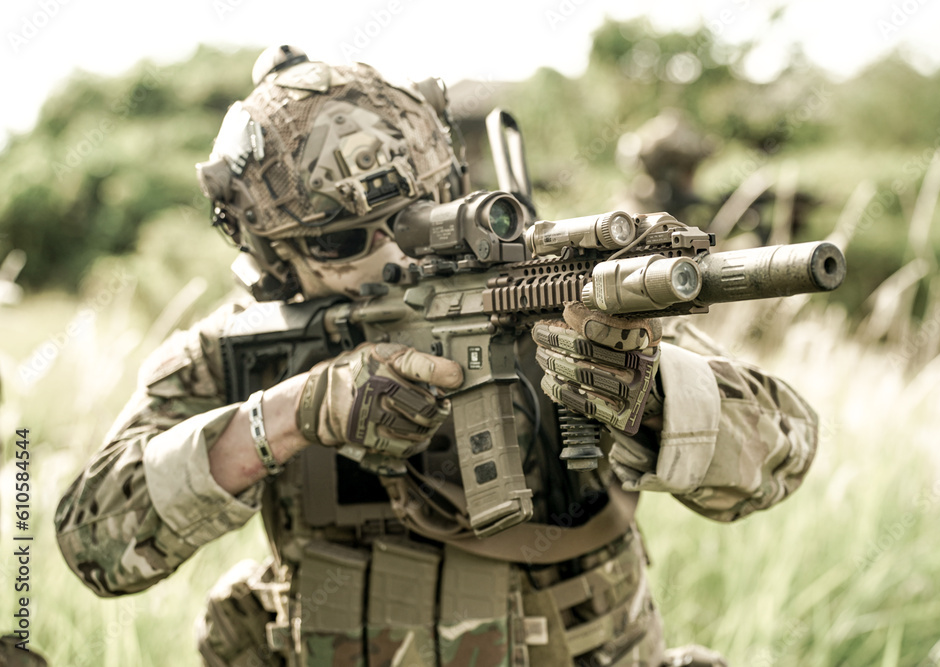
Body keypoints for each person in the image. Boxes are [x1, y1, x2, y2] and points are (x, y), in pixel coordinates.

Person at [54, 46, 820, 667]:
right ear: (271, 255)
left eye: (414, 215)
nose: (392, 255)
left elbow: (783, 453)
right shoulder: (239, 349)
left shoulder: (556, 295)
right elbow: (94, 543)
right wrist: (288, 416)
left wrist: (648, 401)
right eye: (343, 241)